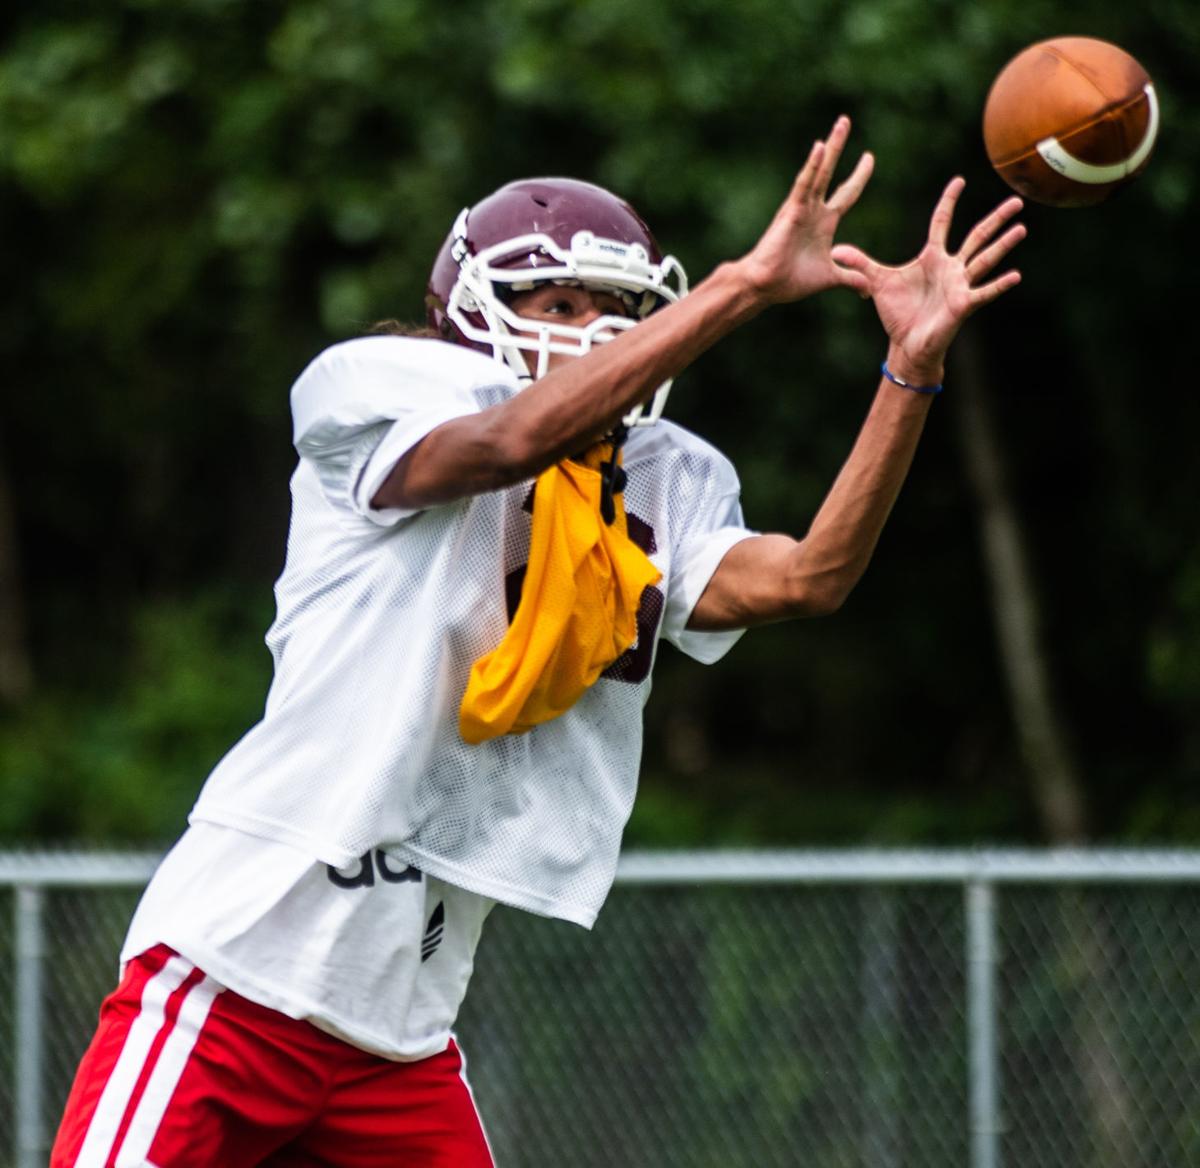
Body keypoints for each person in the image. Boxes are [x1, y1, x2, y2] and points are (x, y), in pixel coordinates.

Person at [51, 116, 1024, 1168]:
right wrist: (740, 288)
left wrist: (908, 371)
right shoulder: (383, 387)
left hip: (400, 1031)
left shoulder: (651, 474)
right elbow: (510, 439)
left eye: (618, 310)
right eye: (559, 303)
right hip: (241, 967)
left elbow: (809, 577)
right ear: (470, 306)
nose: (597, 330)